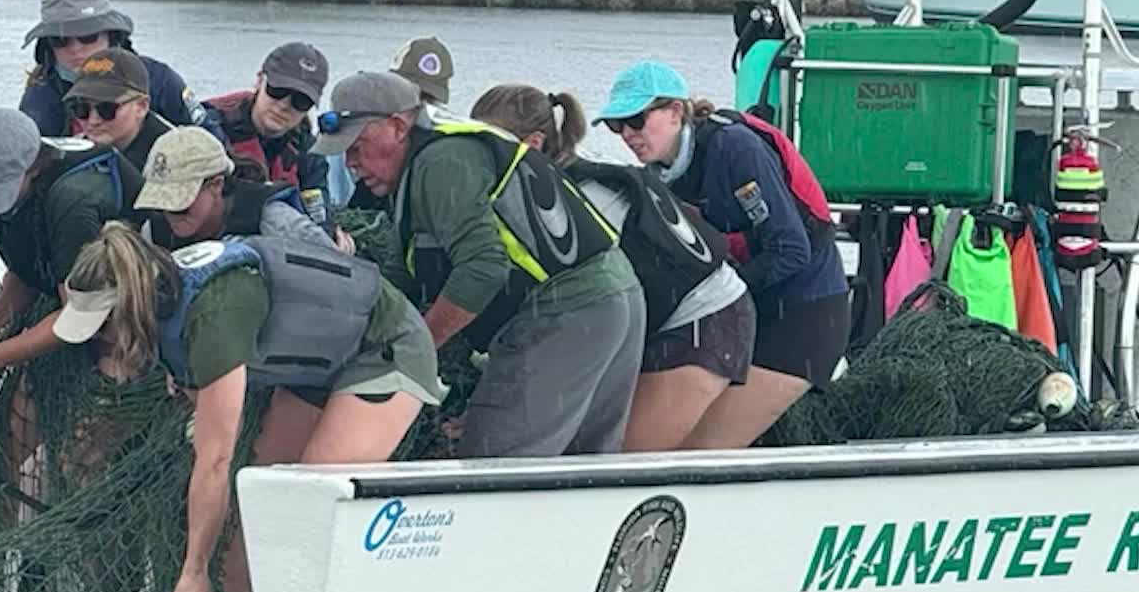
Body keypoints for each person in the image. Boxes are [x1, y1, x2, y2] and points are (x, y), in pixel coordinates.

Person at [53, 222, 443, 592]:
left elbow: (215, 460)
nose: (102, 343)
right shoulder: (166, 299)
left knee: (310, 501)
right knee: (255, 499)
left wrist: (194, 572)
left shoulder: (214, 315)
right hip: (315, 363)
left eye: (103, 330)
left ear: (130, 306)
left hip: (383, 348)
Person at [314, 70, 646, 459]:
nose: (350, 162)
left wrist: (412, 351)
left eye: (357, 146)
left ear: (398, 126)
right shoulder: (440, 148)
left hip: (569, 308)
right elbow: (412, 277)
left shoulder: (441, 162)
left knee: (491, 465)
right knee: (583, 462)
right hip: (618, 293)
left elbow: (482, 269)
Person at [472, 84, 759, 451]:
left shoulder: (572, 200)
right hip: (656, 309)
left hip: (706, 317)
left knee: (624, 458)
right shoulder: (581, 169)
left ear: (532, 144)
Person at [597, 60, 850, 446]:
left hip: (803, 315)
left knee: (698, 449)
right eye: (617, 125)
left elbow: (791, 249)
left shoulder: (735, 148)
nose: (627, 134)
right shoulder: (658, 177)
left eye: (635, 119)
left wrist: (722, 299)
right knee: (648, 437)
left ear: (676, 111)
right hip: (741, 318)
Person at [0, 107, 143, 374]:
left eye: (1, 187)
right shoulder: (9, 204)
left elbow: (76, 315)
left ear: (34, 167)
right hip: (68, 284)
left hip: (129, 295)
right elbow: (28, 269)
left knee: (107, 364)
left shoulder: (72, 202)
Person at [18, 0, 210, 140]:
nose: (75, 48)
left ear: (111, 35)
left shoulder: (159, 81)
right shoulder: (39, 99)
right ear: (48, 46)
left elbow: (210, 138)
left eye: (87, 36)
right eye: (60, 40)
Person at [134, 126, 339, 251]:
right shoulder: (154, 233)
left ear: (216, 185)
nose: (171, 216)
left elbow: (337, 274)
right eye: (161, 205)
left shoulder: (276, 221)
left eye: (181, 206)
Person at [200, 42, 334, 227]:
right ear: (259, 81)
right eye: (278, 90)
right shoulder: (211, 128)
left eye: (301, 100)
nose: (284, 105)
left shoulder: (308, 152)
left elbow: (320, 216)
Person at [336, 36, 457, 212]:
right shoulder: (360, 149)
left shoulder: (447, 164)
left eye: (425, 101)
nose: (413, 110)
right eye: (404, 96)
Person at [62, 48, 172, 173]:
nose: (93, 121)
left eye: (107, 109)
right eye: (82, 109)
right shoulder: (70, 154)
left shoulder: (176, 158)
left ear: (141, 106)